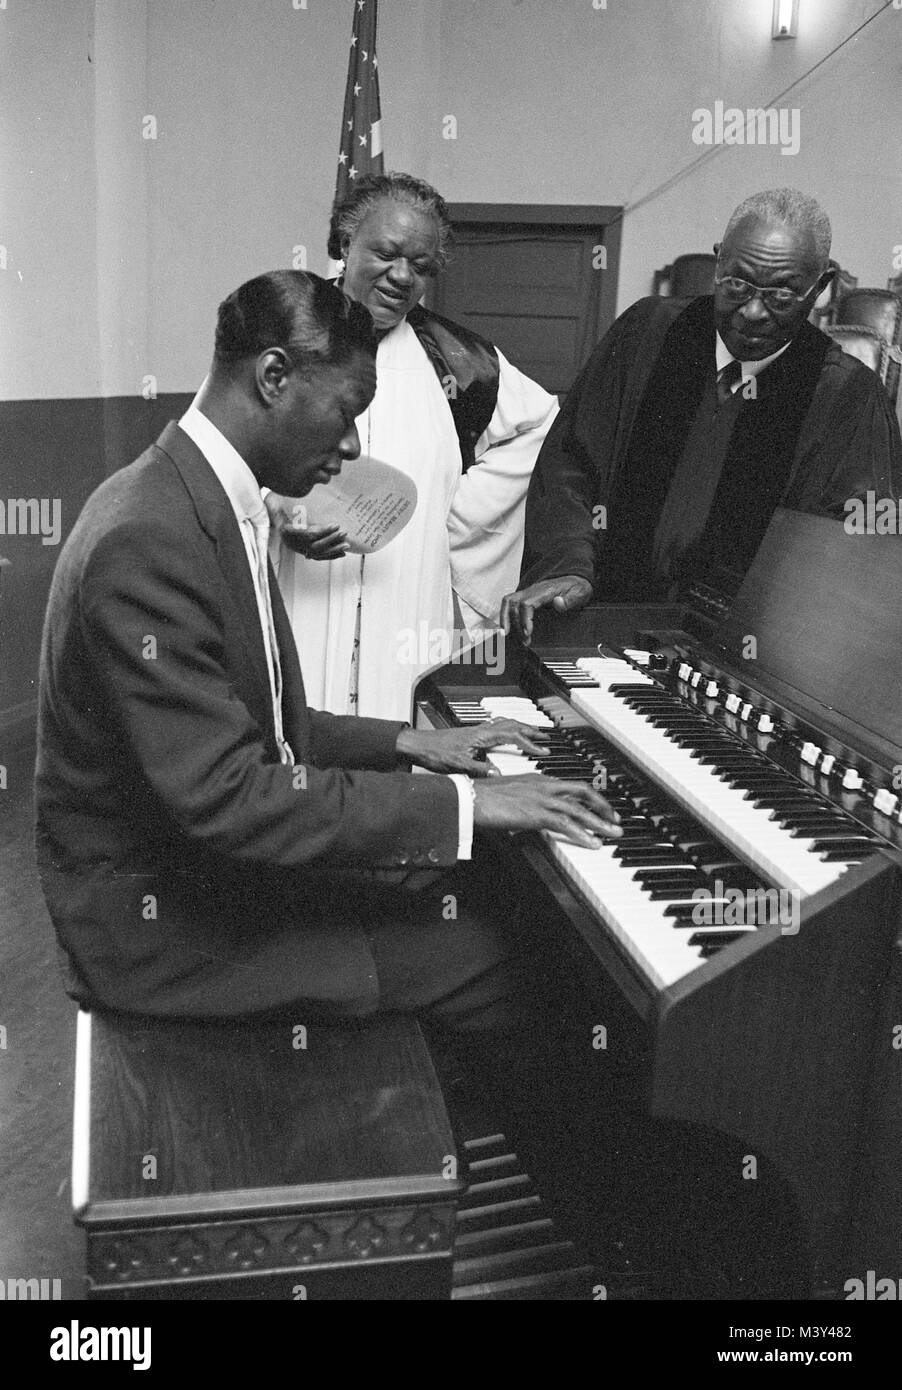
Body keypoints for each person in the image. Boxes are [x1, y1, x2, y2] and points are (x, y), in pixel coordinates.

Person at [33, 271, 809, 1296]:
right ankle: (628, 1240)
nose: (354, 447)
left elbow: (268, 722)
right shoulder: (154, 535)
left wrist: (414, 743)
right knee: (507, 955)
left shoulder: (194, 493)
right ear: (273, 376)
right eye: (347, 412)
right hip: (162, 930)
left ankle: (546, 1187)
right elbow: (226, 795)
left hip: (185, 873)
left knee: (487, 898)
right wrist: (469, 807)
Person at [501, 187, 902, 644]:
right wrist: (569, 564)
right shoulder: (647, 335)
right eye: (737, 284)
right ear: (718, 262)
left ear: (821, 285)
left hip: (741, 657)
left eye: (782, 294)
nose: (752, 312)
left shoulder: (845, 395)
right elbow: (571, 464)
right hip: (599, 621)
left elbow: (856, 549)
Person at [265, 173, 559, 720]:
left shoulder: (460, 363)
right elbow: (234, 449)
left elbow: (542, 424)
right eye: (386, 253)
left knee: (396, 751)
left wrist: (453, 518)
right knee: (299, 748)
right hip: (299, 591)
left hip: (405, 606)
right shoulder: (283, 337)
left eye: (421, 266)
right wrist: (275, 509)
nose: (402, 276)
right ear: (345, 244)